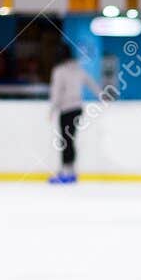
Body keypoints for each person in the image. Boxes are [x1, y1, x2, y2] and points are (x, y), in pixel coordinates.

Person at [47, 45, 102, 185]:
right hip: (77, 108)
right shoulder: (78, 69)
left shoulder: (59, 71)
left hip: (66, 109)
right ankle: (70, 170)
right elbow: (91, 83)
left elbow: (56, 92)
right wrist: (102, 95)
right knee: (70, 139)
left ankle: (66, 170)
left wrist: (52, 110)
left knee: (65, 140)